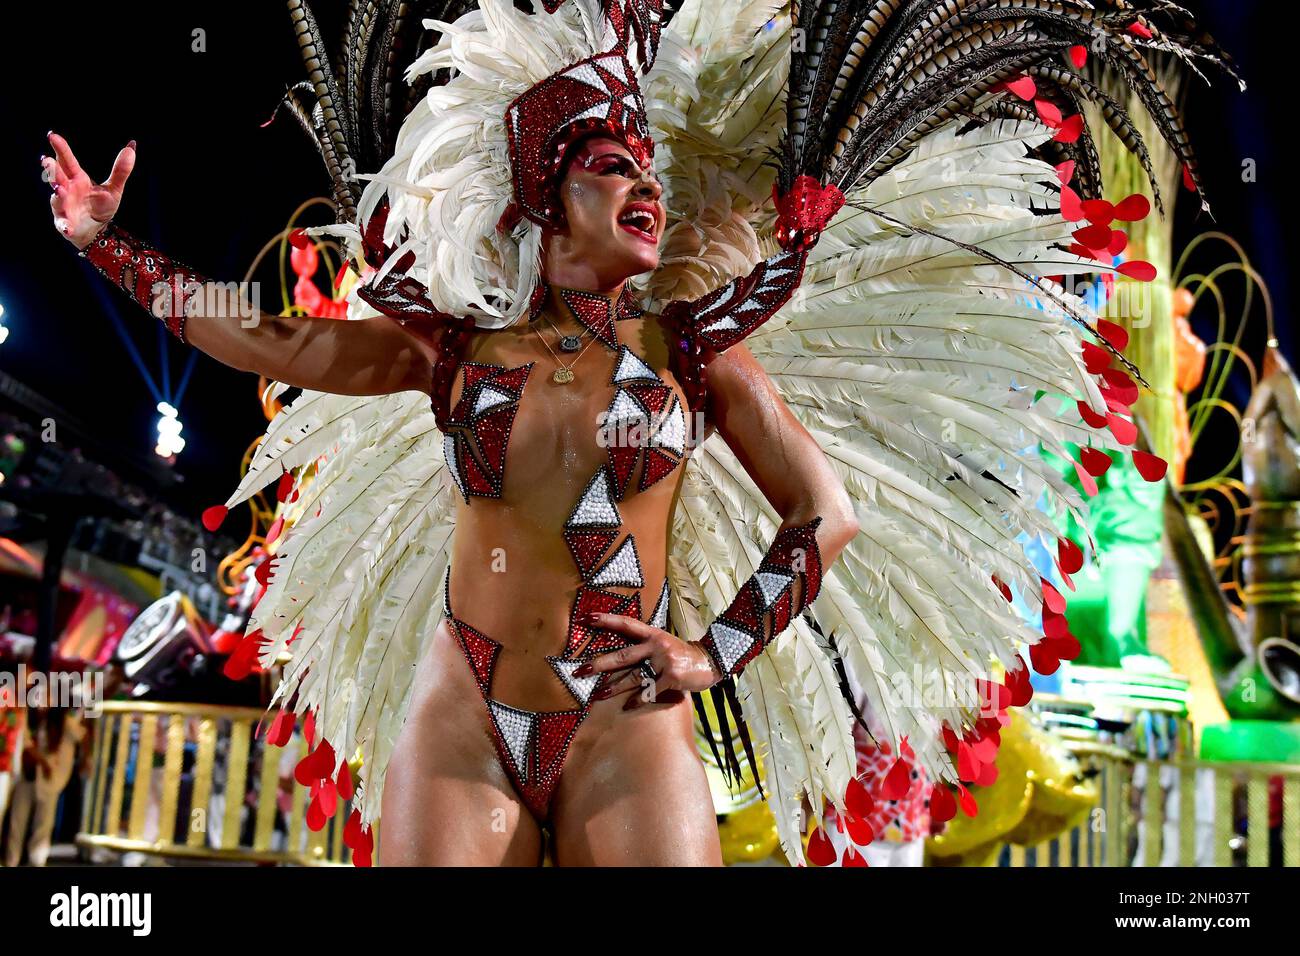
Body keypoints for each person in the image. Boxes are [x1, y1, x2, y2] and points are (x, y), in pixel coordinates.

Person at [45, 0, 1228, 865]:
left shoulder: (693, 353)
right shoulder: (451, 348)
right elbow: (260, 341)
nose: (642, 184)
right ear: (544, 197)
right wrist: (110, 245)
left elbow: (828, 514)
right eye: (611, 166)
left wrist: (710, 651)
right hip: (462, 712)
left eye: (648, 166)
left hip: (625, 721)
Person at [3, 706, 86, 866]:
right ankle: (11, 861)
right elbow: (25, 742)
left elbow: (82, 735)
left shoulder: (64, 722)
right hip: (27, 776)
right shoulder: (29, 717)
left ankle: (36, 861)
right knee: (17, 822)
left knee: (43, 825)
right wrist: (42, 761)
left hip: (50, 781)